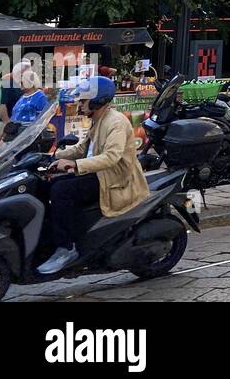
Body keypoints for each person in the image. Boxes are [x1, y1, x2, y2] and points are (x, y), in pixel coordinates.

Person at [37, 76, 149, 275]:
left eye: (83, 100)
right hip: (98, 173)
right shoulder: (98, 120)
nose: (79, 104)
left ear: (98, 101)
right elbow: (83, 148)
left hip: (113, 178)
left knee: (61, 190)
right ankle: (47, 239)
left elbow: (111, 157)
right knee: (44, 184)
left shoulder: (116, 122)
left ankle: (66, 248)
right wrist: (49, 157)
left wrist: (74, 164)